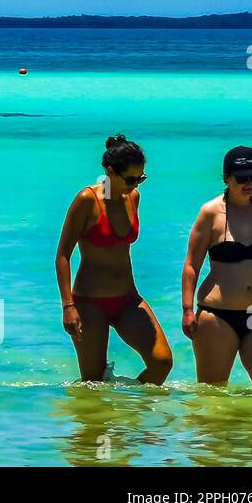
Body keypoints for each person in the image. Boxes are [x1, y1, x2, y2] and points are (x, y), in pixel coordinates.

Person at [55, 135, 173, 384]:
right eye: (131, 179)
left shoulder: (133, 197)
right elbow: (63, 255)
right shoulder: (87, 200)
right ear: (110, 171)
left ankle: (128, 414)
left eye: (141, 178)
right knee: (92, 383)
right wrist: (68, 306)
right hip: (90, 303)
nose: (136, 185)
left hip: (128, 299)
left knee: (162, 362)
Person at [181, 146, 252, 386]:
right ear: (227, 178)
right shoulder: (210, 213)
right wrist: (187, 310)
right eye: (242, 178)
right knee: (213, 396)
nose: (248, 183)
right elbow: (191, 265)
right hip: (218, 316)